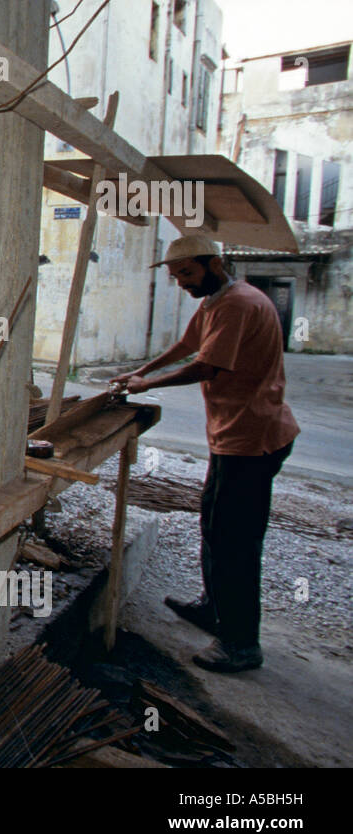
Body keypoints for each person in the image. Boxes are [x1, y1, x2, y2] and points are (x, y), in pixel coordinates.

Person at [113, 235, 298, 673]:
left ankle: (240, 643)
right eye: (176, 277)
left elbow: (207, 365)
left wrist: (147, 386)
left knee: (235, 540)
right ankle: (214, 607)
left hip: (254, 438)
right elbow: (186, 345)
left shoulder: (238, 304)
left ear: (214, 263)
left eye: (188, 274)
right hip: (233, 437)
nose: (181, 283)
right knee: (214, 524)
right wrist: (138, 371)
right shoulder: (217, 300)